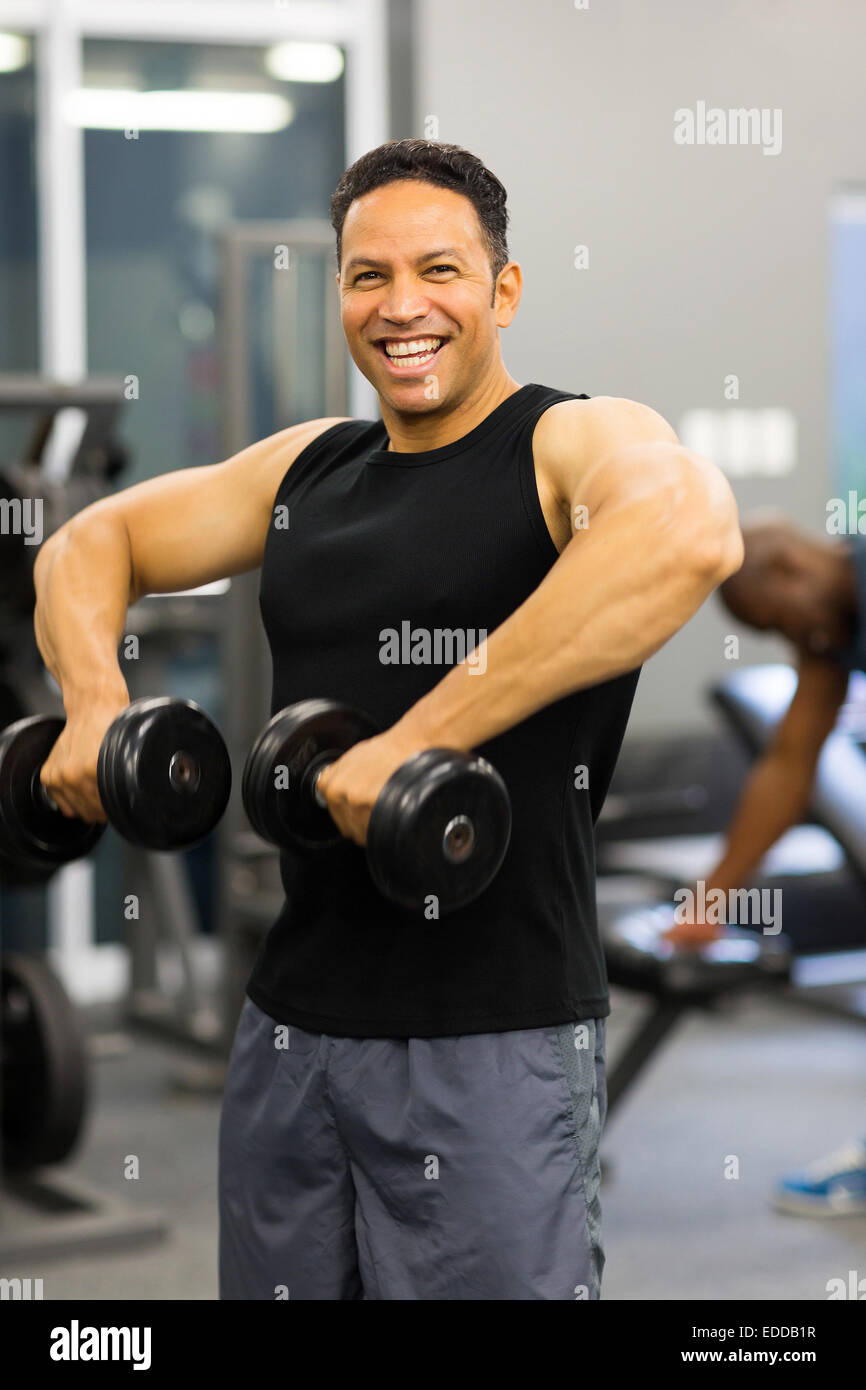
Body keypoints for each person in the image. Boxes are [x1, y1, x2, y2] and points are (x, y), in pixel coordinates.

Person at [32, 138, 741, 1299]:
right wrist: (94, 713)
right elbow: (86, 543)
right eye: (368, 276)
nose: (401, 306)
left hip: (491, 1035)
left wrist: (419, 738)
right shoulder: (310, 467)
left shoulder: (561, 442)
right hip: (288, 1028)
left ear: (503, 289)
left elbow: (687, 526)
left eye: (439, 270)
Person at [666, 514, 866, 1217]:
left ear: (790, 573)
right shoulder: (832, 634)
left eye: (781, 621)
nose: (793, 640)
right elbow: (788, 763)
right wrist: (710, 901)